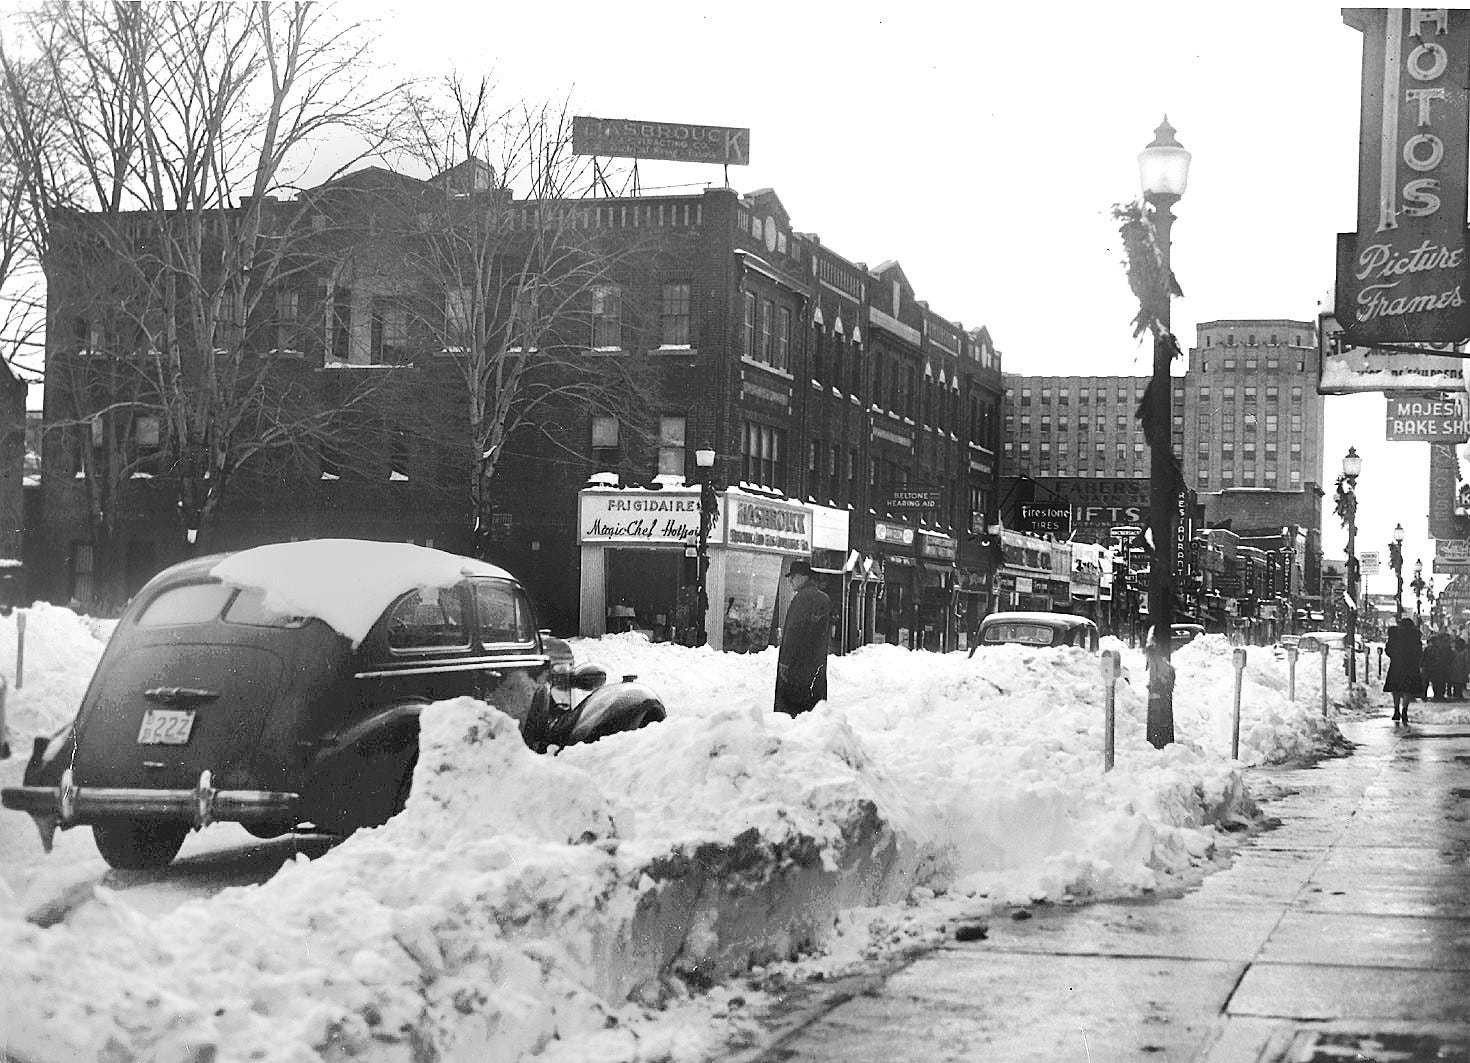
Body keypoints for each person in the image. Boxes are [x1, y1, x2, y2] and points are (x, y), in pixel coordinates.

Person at [773, 560, 831, 717]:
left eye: (794, 576)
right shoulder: (824, 599)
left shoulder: (801, 599)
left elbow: (794, 632)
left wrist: (785, 662)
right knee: (812, 711)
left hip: (796, 667)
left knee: (791, 714)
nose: (790, 580)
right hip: (816, 664)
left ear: (805, 577)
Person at [1384, 617, 1424, 724]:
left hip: (1397, 664)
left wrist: (1395, 656)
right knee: (1408, 689)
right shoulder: (1415, 635)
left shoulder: (1395, 634)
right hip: (1411, 665)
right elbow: (1419, 651)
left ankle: (1396, 710)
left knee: (1396, 688)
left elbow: (1388, 649)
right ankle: (1404, 710)